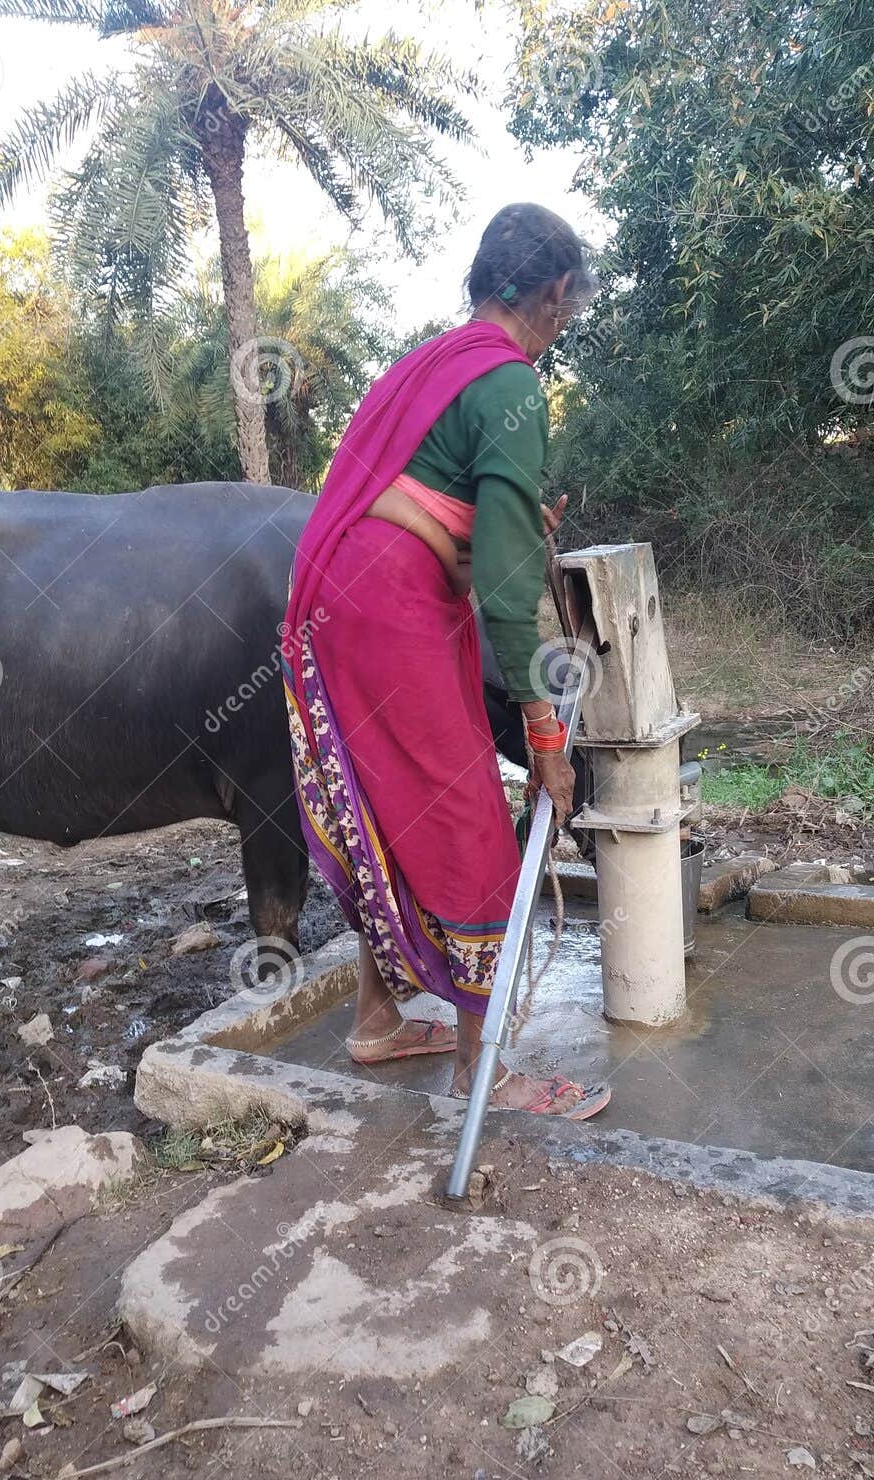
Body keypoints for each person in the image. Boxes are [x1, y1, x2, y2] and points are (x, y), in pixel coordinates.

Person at [282, 203, 610, 1120]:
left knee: (390, 808)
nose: (562, 331)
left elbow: (432, 517)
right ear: (552, 295)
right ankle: (482, 1071)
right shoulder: (507, 384)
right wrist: (545, 737)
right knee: (467, 814)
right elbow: (507, 591)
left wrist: (493, 529)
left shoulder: (428, 363)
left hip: (344, 596)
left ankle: (377, 1022)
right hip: (391, 610)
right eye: (568, 312)